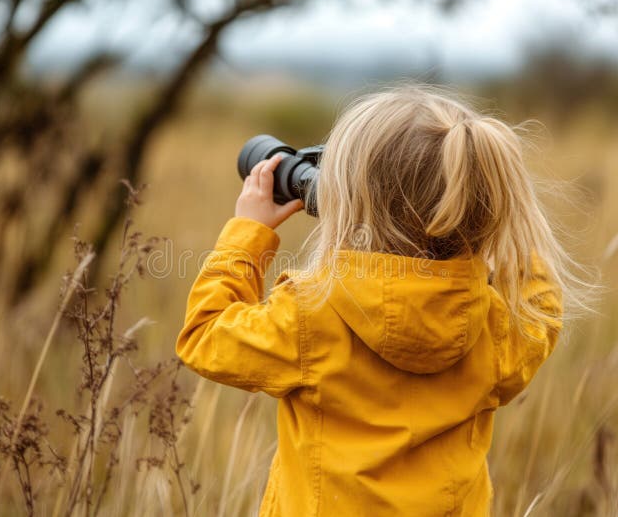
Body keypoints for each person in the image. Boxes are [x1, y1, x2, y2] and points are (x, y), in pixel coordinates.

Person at [176, 85, 580, 516]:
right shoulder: (497, 328)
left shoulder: (310, 316)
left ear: (347, 205)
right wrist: (496, 239)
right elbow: (543, 309)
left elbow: (204, 336)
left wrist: (249, 233)